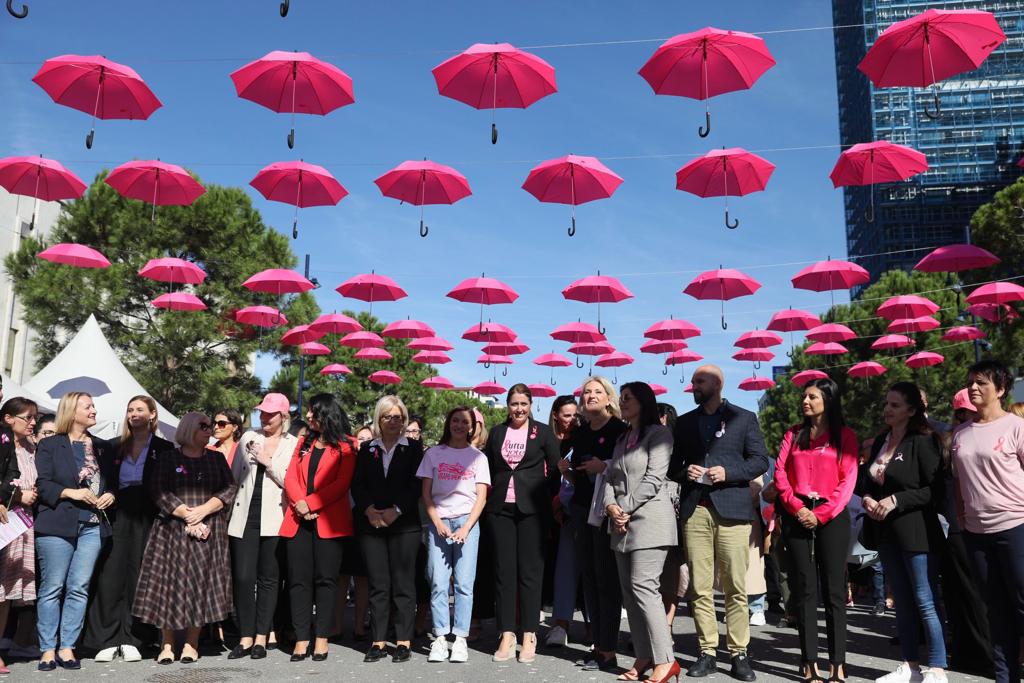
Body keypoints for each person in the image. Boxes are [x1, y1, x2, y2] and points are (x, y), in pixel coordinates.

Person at [670, 365, 768, 681]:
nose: (694, 385)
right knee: (699, 586)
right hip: (696, 510)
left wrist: (728, 472)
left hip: (733, 510)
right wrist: (686, 471)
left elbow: (760, 460)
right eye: (694, 381)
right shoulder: (683, 423)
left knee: (735, 586)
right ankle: (707, 651)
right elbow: (672, 466)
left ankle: (739, 653)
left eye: (700, 381)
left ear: (717, 383)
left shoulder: (744, 418)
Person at [858, 382, 947, 683]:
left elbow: (933, 490)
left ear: (911, 409)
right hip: (885, 531)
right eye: (887, 403)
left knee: (925, 599)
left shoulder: (924, 440)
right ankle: (910, 666)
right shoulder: (882, 439)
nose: (887, 409)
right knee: (903, 603)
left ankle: (937, 668)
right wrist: (868, 498)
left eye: (895, 405)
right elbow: (868, 480)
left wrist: (897, 500)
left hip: (917, 530)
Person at [132, 412, 237, 665]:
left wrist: (204, 510)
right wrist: (184, 513)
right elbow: (157, 488)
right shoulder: (169, 458)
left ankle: (192, 643)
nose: (209, 429)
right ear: (189, 429)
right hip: (172, 531)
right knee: (169, 586)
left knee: (200, 586)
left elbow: (229, 487)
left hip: (208, 530)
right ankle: (167, 645)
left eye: (210, 426)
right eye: (203, 426)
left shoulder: (216, 458)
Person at [773, 378, 858, 682]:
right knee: (805, 591)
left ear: (828, 400)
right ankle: (809, 663)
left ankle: (838, 664)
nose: (805, 402)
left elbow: (848, 481)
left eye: (812, 397)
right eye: (804, 397)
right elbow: (780, 474)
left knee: (834, 592)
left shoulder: (845, 436)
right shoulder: (793, 435)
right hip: (797, 514)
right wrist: (797, 508)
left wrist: (820, 514)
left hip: (831, 518)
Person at [84, 396, 175, 662]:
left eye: (139, 409)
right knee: (110, 573)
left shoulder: (164, 448)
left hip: (149, 513)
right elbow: (105, 481)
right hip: (117, 510)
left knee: (141, 572)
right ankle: (107, 638)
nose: (134, 414)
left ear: (152, 415)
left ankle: (135, 638)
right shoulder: (114, 447)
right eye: (130, 409)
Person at [952, 361, 1024, 683]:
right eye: (970, 382)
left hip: (1016, 528)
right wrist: (963, 517)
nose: (973, 388)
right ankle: (1004, 677)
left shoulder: (1016, 427)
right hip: (976, 534)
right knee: (995, 612)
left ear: (1001, 389)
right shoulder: (961, 433)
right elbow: (957, 484)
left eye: (981, 382)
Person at [604, 382, 681, 683]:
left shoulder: (659, 434)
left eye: (627, 398)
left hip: (651, 521)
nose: (621, 402)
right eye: (621, 398)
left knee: (644, 588)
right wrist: (612, 507)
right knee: (630, 594)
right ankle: (645, 656)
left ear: (643, 402)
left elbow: (653, 479)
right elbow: (610, 476)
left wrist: (624, 507)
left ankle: (667, 660)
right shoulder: (623, 437)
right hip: (621, 523)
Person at [34, 392, 116, 671]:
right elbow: (43, 486)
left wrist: (111, 496)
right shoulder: (49, 445)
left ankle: (67, 647)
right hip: (57, 524)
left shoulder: (104, 448)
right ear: (72, 411)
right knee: (52, 588)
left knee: (79, 588)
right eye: (88, 406)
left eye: (93, 406)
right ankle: (47, 648)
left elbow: (112, 484)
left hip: (92, 526)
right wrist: (72, 492)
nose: (94, 410)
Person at [483, 384, 560, 664]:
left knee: (530, 574)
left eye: (523, 404)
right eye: (514, 404)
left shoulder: (543, 433)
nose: (518, 409)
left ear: (531, 405)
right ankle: (506, 633)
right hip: (500, 510)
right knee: (504, 573)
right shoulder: (497, 432)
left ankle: (529, 633)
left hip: (532, 511)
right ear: (507, 405)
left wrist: (537, 489)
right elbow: (490, 468)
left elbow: (554, 468)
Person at [280, 393, 356, 662]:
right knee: (299, 581)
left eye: (313, 412)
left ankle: (321, 638)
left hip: (329, 522)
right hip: (298, 520)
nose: (308, 416)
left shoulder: (347, 445)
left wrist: (311, 503)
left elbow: (341, 483)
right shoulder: (303, 441)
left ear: (327, 414)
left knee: (326, 581)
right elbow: (290, 476)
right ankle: (302, 638)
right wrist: (300, 504)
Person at [559, 376, 627, 671]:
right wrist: (568, 471)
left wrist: (605, 466)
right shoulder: (581, 433)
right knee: (589, 578)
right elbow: (579, 475)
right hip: (581, 508)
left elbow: (630, 469)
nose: (591, 396)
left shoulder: (620, 430)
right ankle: (597, 645)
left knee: (607, 580)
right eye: (586, 392)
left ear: (609, 397)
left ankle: (609, 649)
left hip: (608, 511)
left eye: (597, 391)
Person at [352, 395, 423, 664]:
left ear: (404, 420)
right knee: (378, 584)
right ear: (378, 419)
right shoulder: (367, 448)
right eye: (387, 416)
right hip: (372, 524)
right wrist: (369, 509)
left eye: (398, 416)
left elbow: (416, 485)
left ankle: (403, 640)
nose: (393, 421)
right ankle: (378, 640)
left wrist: (397, 510)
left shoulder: (414, 448)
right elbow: (357, 484)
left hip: (404, 525)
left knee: (404, 584)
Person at [226, 393, 297, 660]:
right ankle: (245, 636)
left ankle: (261, 637)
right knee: (243, 577)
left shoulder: (292, 443)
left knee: (270, 579)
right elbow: (233, 477)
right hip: (244, 515)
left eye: (270, 414)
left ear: (283, 417)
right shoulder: (247, 437)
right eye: (262, 413)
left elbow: (290, 481)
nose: (265, 418)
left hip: (275, 517)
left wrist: (268, 462)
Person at [418, 406, 490, 663]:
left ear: (472, 427)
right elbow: (426, 494)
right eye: (455, 421)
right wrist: (436, 522)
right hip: (439, 522)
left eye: (465, 422)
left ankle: (460, 637)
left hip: (467, 524)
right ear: (449, 423)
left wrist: (466, 527)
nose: (460, 425)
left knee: (463, 584)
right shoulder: (434, 454)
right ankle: (439, 636)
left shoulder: (478, 457)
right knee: (438, 581)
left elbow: (481, 497)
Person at [0, 398, 38, 674]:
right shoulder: (3, 445)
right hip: (4, 515)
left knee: (6, 591)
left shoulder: (33, 448)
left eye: (35, 417)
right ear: (9, 418)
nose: (33, 422)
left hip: (20, 524)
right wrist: (16, 495)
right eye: (27, 417)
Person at [547, 395, 580, 647]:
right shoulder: (546, 438)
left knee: (581, 570)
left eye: (574, 415)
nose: (571, 419)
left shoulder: (582, 438)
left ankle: (592, 628)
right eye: (566, 415)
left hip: (573, 510)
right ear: (556, 415)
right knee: (559, 570)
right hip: (547, 511)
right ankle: (559, 624)